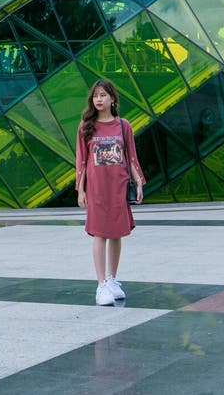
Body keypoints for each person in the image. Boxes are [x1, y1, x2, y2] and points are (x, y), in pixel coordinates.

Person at [75, 78, 145, 306]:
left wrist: (138, 181)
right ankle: (101, 285)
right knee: (99, 233)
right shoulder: (86, 126)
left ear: (112, 99)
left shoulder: (123, 125)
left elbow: (131, 156)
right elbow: (82, 161)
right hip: (96, 189)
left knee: (116, 232)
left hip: (119, 186)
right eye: (95, 95)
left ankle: (112, 280)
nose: (98, 99)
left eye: (103, 95)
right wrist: (81, 190)